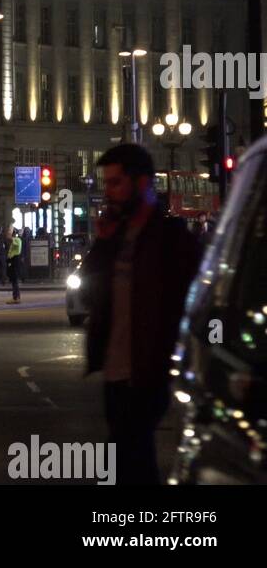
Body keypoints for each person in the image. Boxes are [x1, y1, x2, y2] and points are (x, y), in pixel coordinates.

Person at [82, 143, 202, 485]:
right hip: (115, 372)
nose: (109, 192)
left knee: (131, 456)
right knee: (128, 458)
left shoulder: (170, 238)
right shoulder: (115, 237)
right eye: (106, 183)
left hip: (148, 372)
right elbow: (91, 293)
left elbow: (194, 303)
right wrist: (103, 243)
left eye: (116, 183)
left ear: (142, 183)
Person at [6, 226, 23, 304]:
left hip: (15, 261)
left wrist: (10, 229)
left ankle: (16, 297)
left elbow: (9, 238)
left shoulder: (17, 240)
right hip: (12, 261)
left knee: (15, 280)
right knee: (13, 280)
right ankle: (16, 297)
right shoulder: (15, 240)